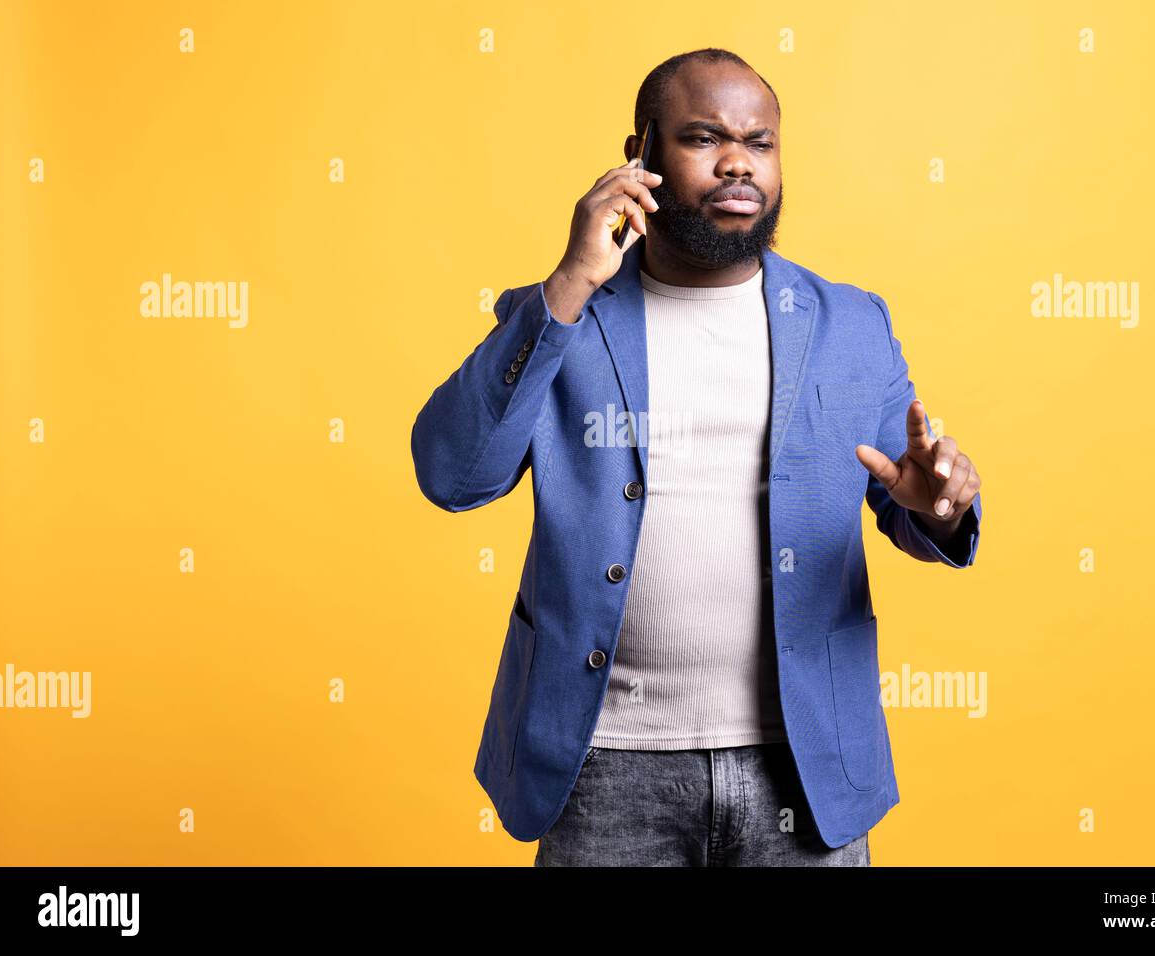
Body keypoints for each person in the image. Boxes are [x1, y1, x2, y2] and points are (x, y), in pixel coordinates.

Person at [411, 48, 983, 866]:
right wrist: (572, 278)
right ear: (638, 153)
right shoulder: (563, 316)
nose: (737, 163)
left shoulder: (851, 323)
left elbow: (913, 498)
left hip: (804, 769)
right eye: (703, 137)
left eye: (760, 141)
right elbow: (454, 474)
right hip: (602, 766)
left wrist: (940, 506)